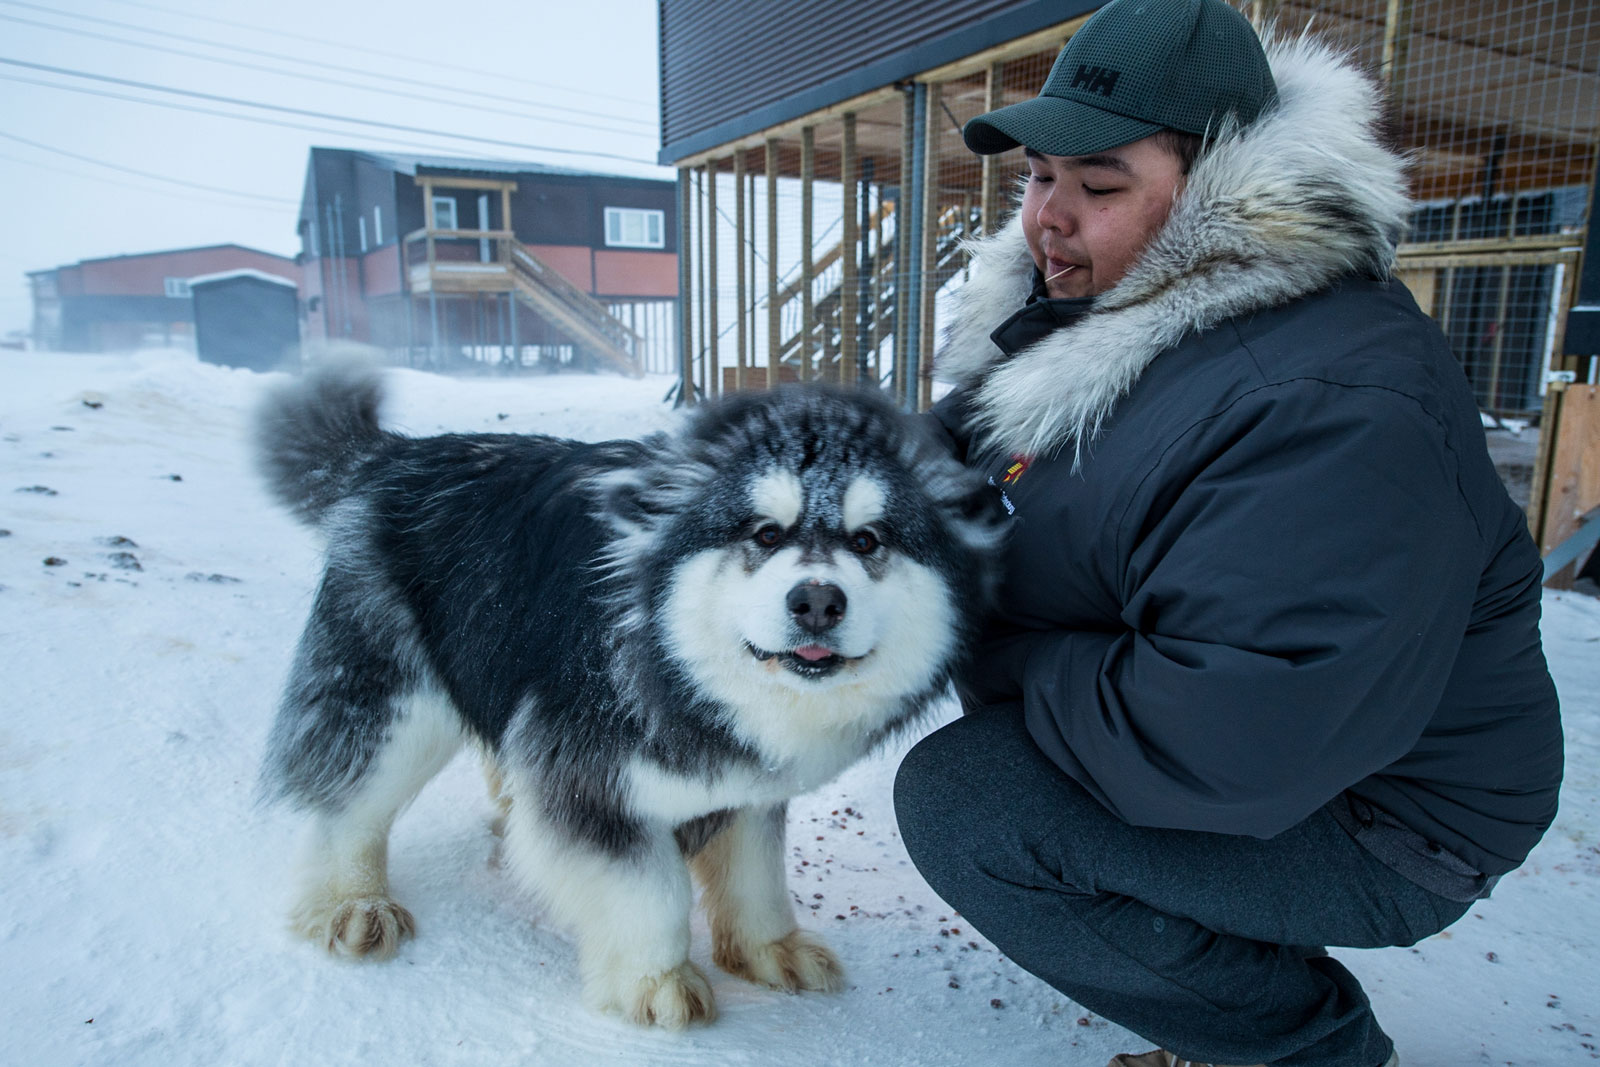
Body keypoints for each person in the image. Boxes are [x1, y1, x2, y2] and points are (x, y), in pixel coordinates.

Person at [891, 1, 1564, 1065]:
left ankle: (1309, 1049)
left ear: (1221, 186)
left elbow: (1225, 744)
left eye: (1099, 185)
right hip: (1281, 756)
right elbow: (961, 453)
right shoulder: (1112, 310)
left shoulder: (1328, 402)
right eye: (1038, 175)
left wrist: (985, 641)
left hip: (1391, 814)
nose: (1048, 219)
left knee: (972, 804)